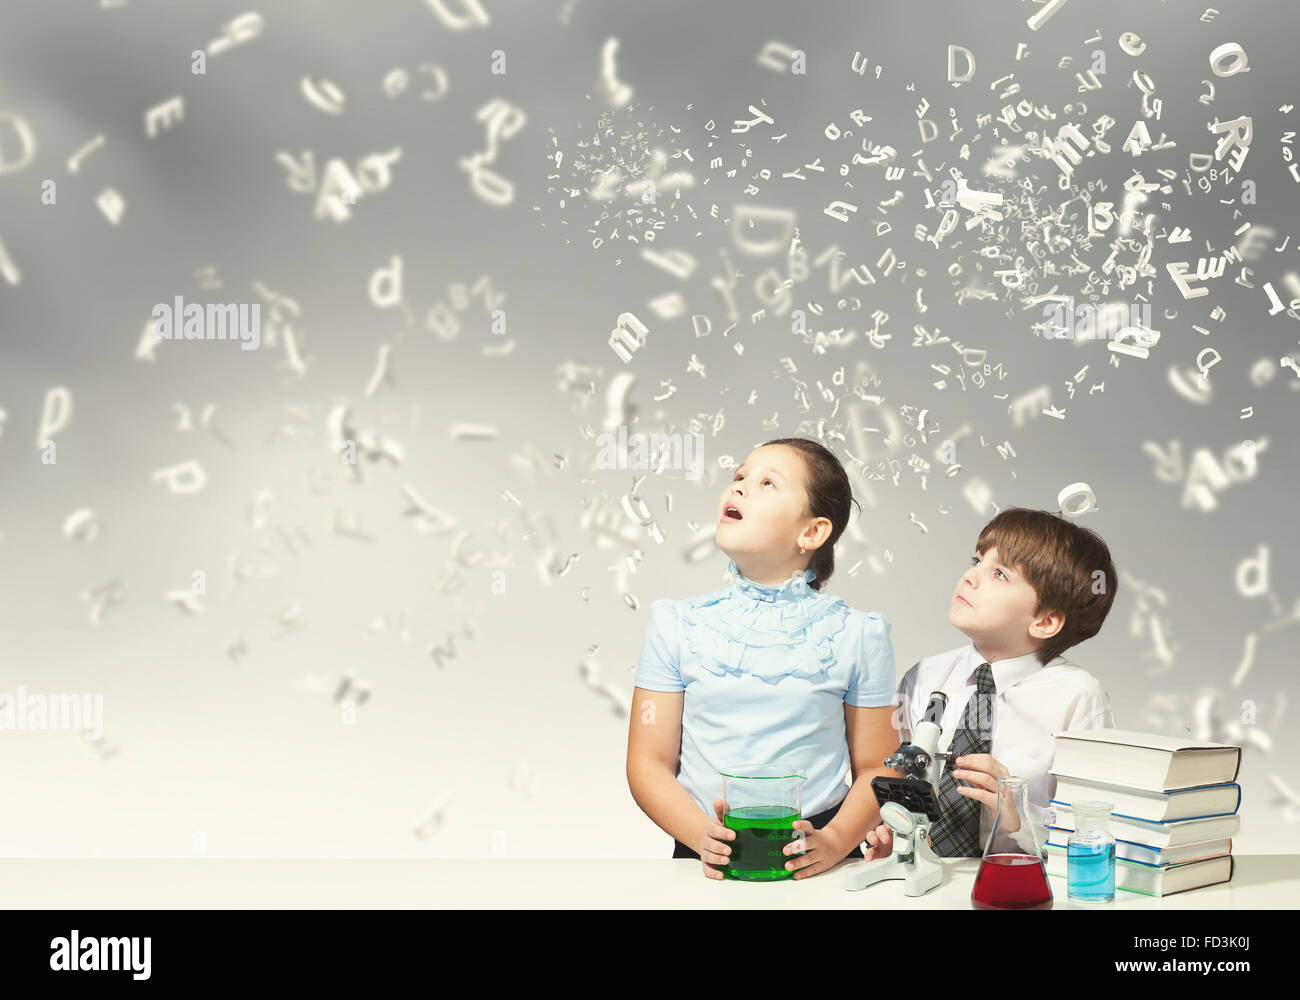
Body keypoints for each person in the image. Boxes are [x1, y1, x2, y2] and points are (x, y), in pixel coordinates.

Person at [626, 438, 900, 880]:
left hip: (819, 857)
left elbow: (878, 767)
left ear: (812, 533)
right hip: (702, 854)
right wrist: (699, 835)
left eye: (767, 483)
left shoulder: (858, 635)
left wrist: (835, 842)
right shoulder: (675, 625)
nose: (739, 488)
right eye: (738, 477)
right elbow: (647, 763)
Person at [864, 507, 1118, 861]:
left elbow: (1095, 826)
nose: (970, 576)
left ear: (1045, 621)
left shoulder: (1077, 697)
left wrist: (1015, 814)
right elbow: (901, 782)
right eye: (976, 560)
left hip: (1017, 880)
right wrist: (896, 837)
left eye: (999, 574)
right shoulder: (924, 677)